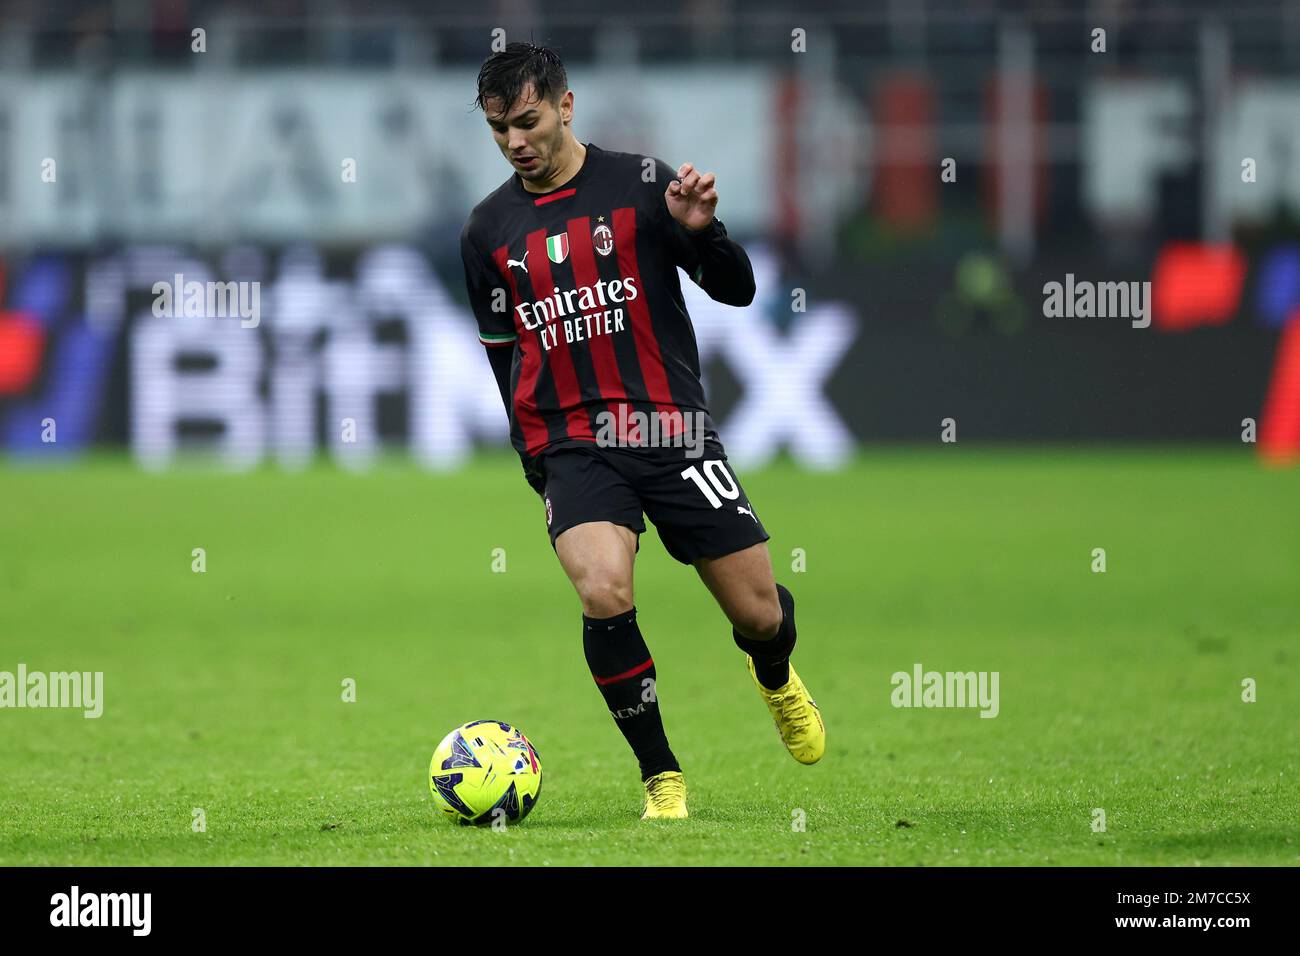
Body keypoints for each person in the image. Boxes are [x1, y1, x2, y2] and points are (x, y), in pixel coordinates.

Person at [459, 42, 824, 820]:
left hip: (670, 429)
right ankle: (661, 775)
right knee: (603, 589)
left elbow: (737, 290)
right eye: (499, 129)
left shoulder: (644, 185)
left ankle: (774, 674)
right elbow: (503, 357)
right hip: (574, 443)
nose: (515, 141)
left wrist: (704, 234)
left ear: (566, 105)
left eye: (527, 121)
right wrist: (534, 455)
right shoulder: (487, 229)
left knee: (760, 613)